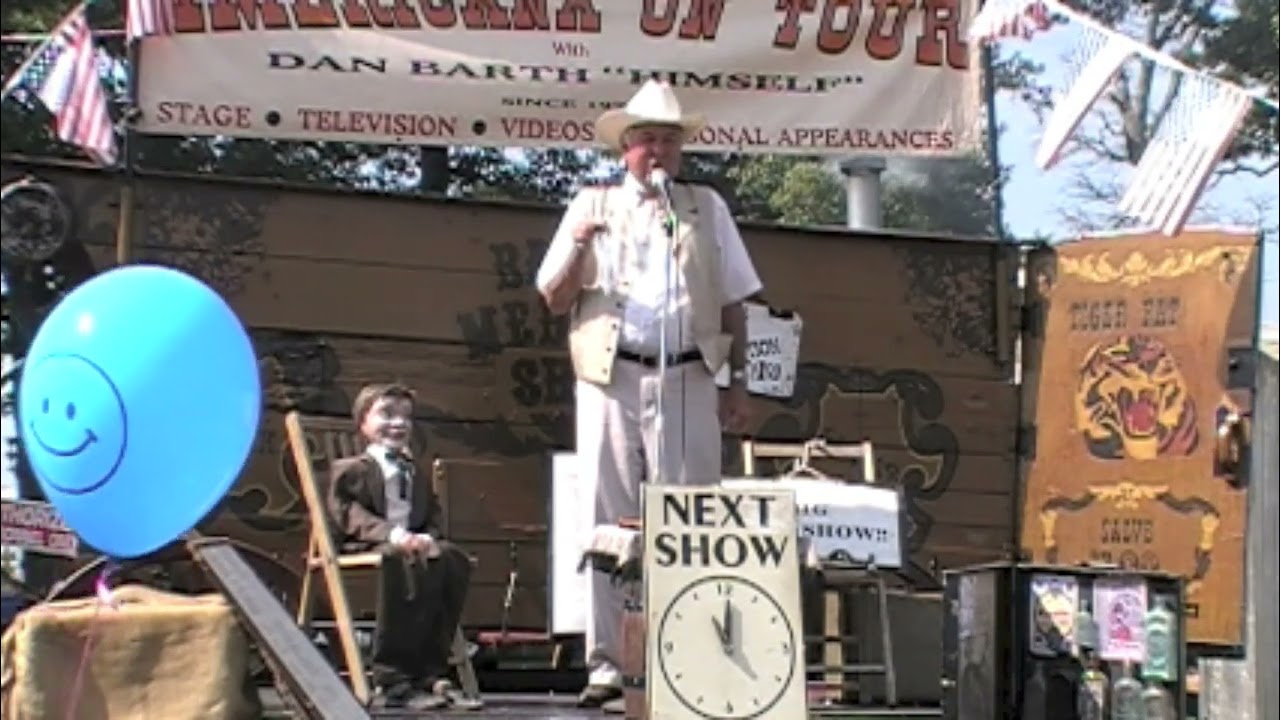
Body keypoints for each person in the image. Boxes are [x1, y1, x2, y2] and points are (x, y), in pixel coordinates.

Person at [535, 80, 763, 712]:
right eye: (646, 141)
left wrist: (736, 382)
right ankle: (609, 663)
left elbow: (735, 299)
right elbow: (553, 297)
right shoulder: (590, 202)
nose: (658, 151)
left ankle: (686, 649)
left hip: (690, 371)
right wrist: (580, 242)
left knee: (689, 514)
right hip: (611, 372)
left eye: (668, 139)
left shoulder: (705, 207)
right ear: (625, 150)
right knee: (608, 517)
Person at [326, 382, 473, 711]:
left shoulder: (412, 469)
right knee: (401, 561)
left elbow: (432, 511)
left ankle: (430, 671)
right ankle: (393, 678)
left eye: (406, 417)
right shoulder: (351, 470)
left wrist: (428, 536)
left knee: (451, 559)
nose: (398, 423)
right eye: (386, 414)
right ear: (363, 423)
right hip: (372, 544)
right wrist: (392, 535)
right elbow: (347, 512)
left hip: (412, 544)